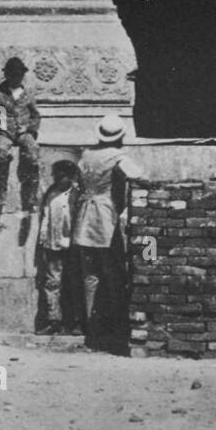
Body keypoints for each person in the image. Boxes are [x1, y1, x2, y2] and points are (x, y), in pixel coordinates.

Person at [73, 113, 144, 355]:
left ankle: (91, 331)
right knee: (113, 276)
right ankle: (115, 329)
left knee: (89, 277)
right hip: (105, 220)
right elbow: (137, 174)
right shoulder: (117, 156)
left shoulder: (86, 155)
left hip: (84, 218)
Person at [0, 57, 42, 214]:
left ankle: (31, 196)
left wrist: (28, 128)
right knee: (1, 151)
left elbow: (36, 116)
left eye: (18, 75)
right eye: (12, 74)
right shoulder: (1, 95)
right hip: (5, 132)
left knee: (33, 152)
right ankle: (0, 193)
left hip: (23, 133)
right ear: (7, 75)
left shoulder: (27, 94)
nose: (15, 78)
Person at [36, 160, 81, 334]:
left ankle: (75, 322)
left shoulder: (76, 194)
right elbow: (45, 217)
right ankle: (54, 320)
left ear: (70, 177)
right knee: (53, 283)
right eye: (56, 176)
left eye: (61, 177)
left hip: (72, 246)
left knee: (74, 283)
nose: (58, 180)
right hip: (53, 246)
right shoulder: (51, 194)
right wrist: (43, 240)